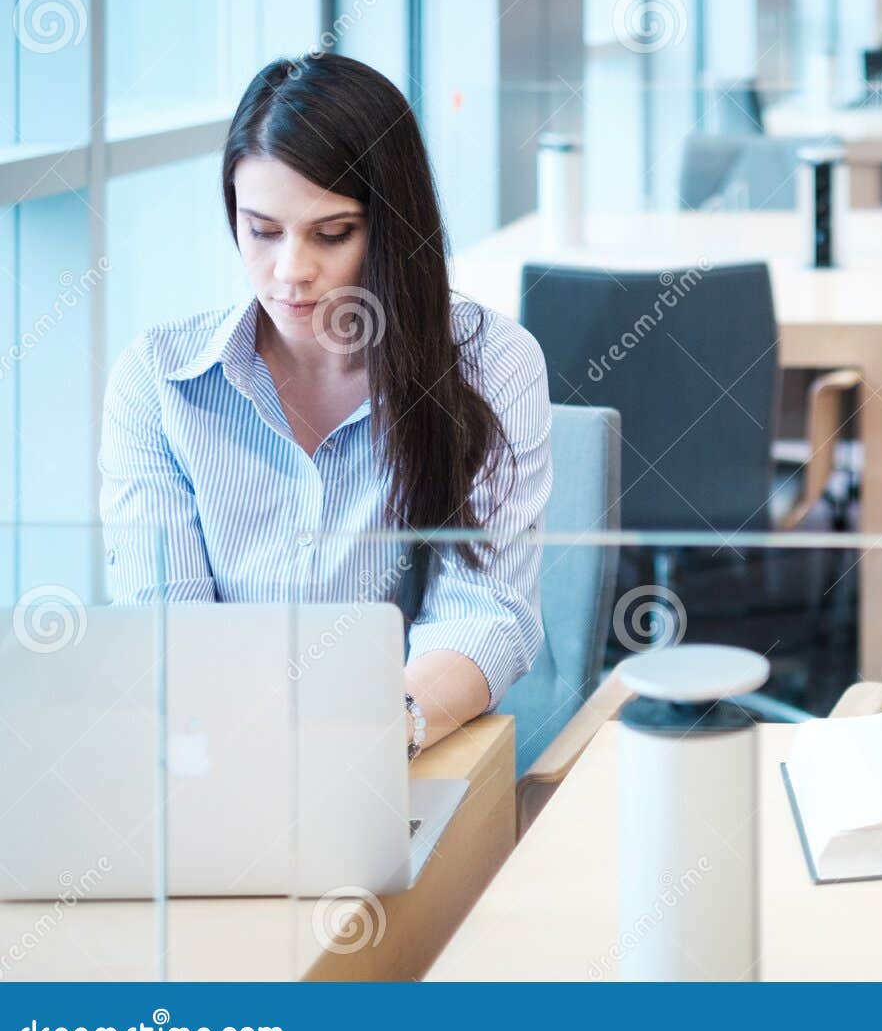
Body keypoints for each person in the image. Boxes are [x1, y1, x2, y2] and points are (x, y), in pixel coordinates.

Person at [99, 53, 552, 761]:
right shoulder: (159, 383)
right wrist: (252, 751)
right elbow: (167, 630)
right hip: (214, 762)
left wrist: (367, 737)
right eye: (262, 230)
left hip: (400, 756)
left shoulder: (491, 366)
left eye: (332, 233)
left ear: (393, 229)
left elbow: (486, 615)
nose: (291, 272)